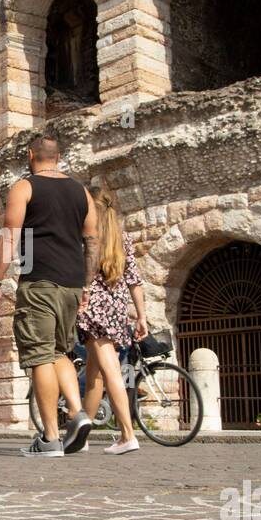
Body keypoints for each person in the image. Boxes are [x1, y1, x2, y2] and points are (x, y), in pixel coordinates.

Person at [0, 132, 98, 457]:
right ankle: (77, 415)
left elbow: (10, 236)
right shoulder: (82, 193)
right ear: (58, 158)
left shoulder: (25, 186)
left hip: (39, 281)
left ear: (31, 156)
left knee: (39, 355)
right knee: (60, 351)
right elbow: (92, 241)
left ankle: (50, 438)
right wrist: (87, 286)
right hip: (72, 284)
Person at [78, 186, 148, 454]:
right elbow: (134, 280)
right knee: (94, 372)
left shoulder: (87, 239)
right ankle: (82, 437)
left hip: (93, 309)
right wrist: (141, 316)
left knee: (110, 371)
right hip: (117, 310)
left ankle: (127, 435)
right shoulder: (123, 238)